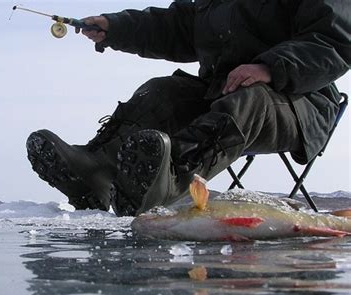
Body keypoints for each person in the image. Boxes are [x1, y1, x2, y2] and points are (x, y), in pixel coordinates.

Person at [26, 0, 350, 217]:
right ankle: (96, 171)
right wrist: (116, 27)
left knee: (248, 99)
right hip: (220, 91)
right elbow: (178, 28)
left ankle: (169, 177)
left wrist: (270, 67)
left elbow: (336, 36)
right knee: (163, 91)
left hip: (298, 98)